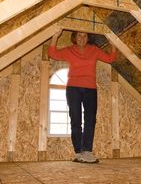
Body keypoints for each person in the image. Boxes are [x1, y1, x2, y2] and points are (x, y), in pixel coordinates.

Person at [48, 30, 116, 163]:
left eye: (85, 35)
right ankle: (79, 152)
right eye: (79, 35)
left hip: (91, 89)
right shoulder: (69, 50)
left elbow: (110, 58)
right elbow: (52, 53)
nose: (82, 38)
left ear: (88, 37)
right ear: (74, 37)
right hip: (73, 88)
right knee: (76, 120)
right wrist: (55, 36)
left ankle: (87, 151)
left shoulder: (94, 50)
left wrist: (112, 43)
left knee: (90, 120)